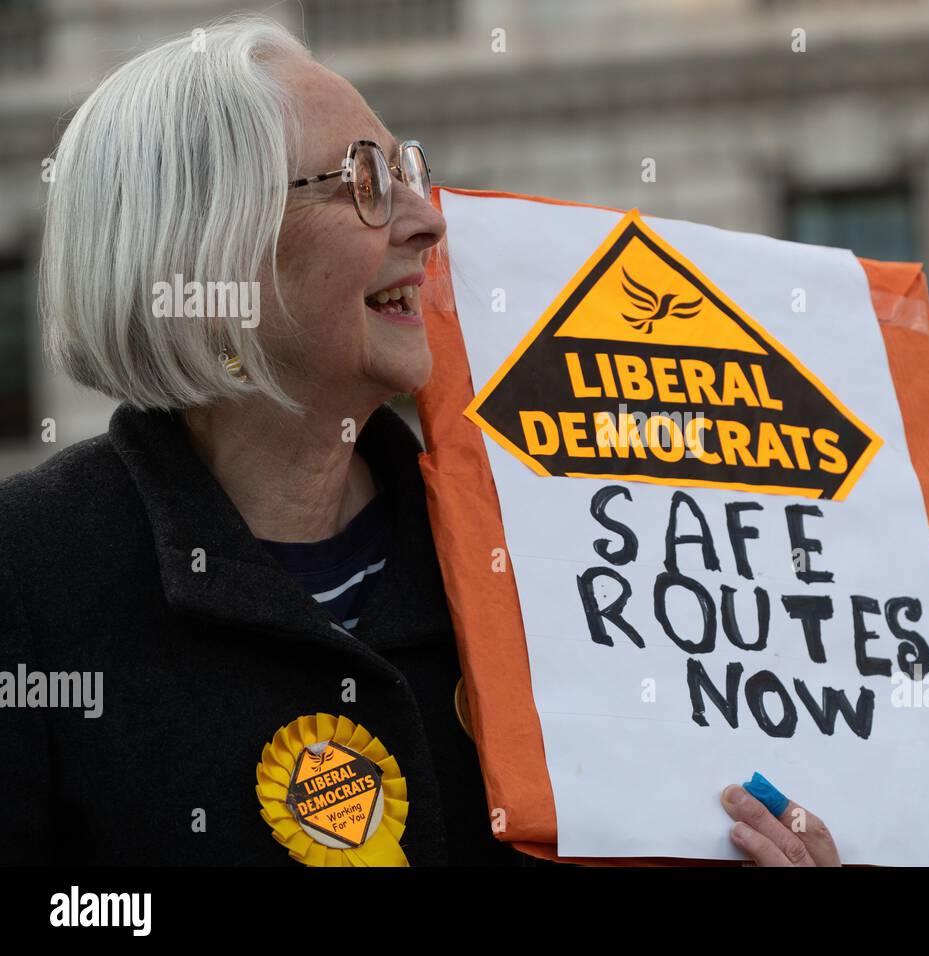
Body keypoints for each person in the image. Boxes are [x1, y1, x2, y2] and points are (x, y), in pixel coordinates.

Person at [0, 14, 840, 867]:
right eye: (365, 182)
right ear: (209, 249)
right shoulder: (27, 574)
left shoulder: (545, 546)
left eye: (409, 172)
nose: (428, 221)